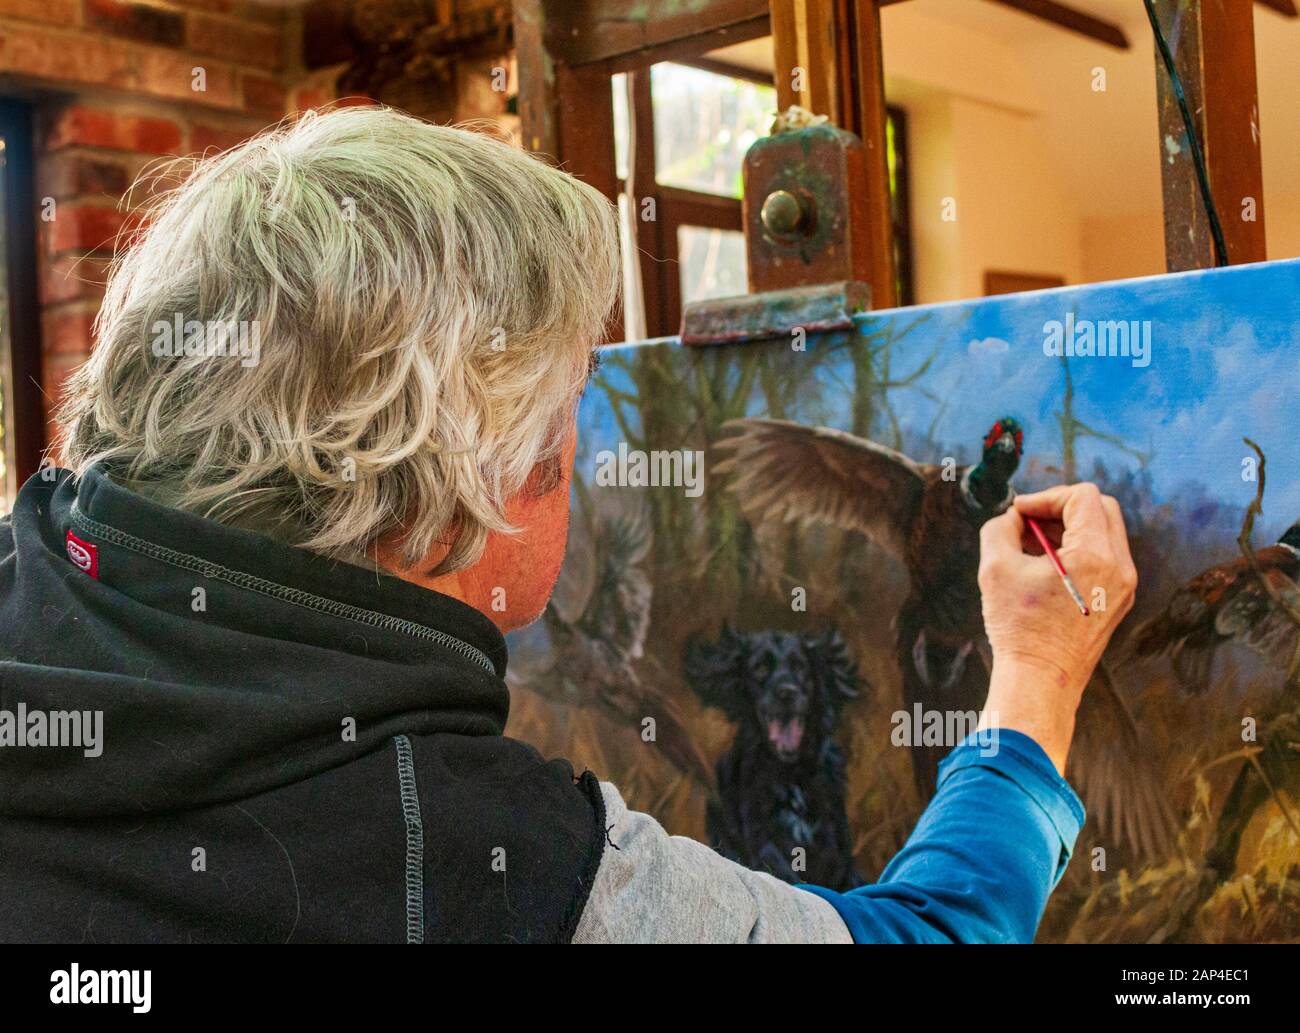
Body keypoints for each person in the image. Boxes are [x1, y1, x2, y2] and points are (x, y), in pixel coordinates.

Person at [0, 107, 1137, 943]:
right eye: (560, 439)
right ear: (457, 492)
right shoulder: (504, 871)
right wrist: (1034, 672)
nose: (580, 468)